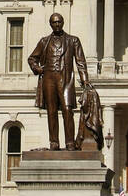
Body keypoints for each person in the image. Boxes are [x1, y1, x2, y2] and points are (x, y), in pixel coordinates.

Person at [27, 13, 91, 152]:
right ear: (50, 24)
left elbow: (81, 62)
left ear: (63, 23)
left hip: (66, 79)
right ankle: (54, 142)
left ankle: (70, 143)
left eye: (59, 22)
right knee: (51, 111)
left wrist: (85, 81)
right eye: (54, 22)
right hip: (49, 79)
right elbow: (32, 58)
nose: (57, 24)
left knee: (67, 110)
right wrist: (37, 68)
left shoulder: (73, 40)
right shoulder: (44, 41)